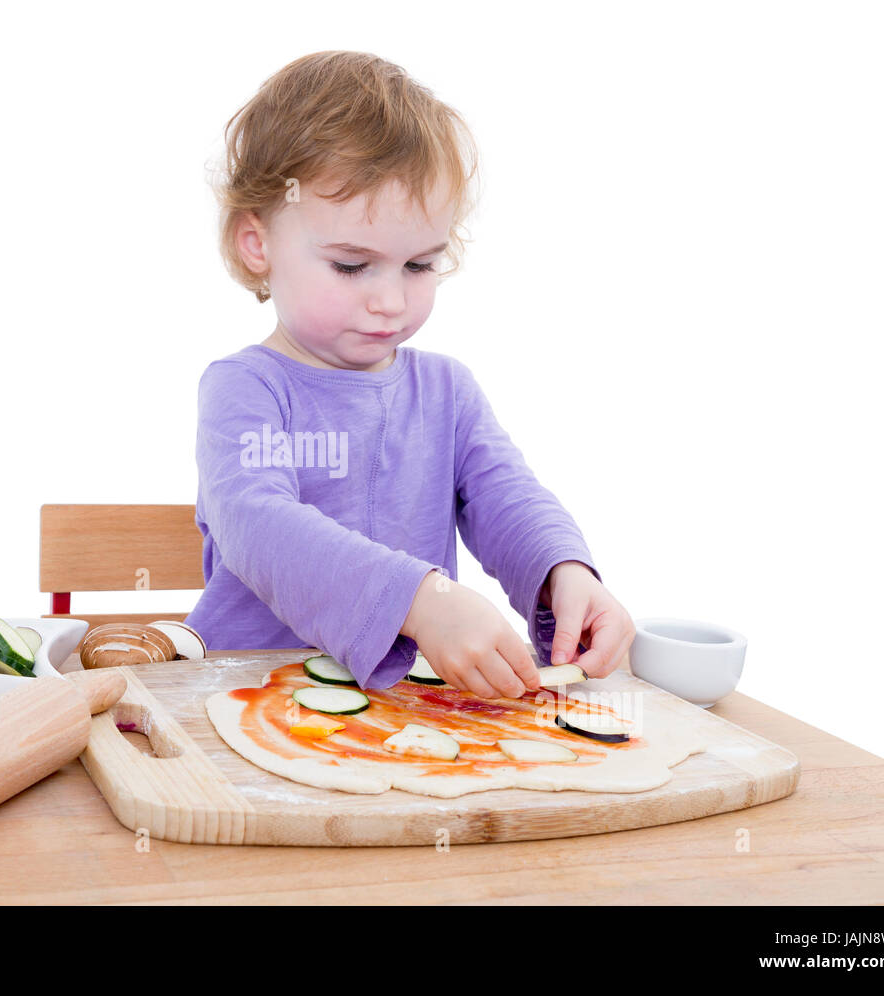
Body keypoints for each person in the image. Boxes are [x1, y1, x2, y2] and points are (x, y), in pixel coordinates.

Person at [183, 51, 635, 698]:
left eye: (419, 266)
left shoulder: (448, 392)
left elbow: (507, 496)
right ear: (257, 244)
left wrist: (565, 574)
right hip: (242, 697)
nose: (391, 301)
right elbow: (258, 524)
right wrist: (420, 600)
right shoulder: (245, 388)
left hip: (402, 716)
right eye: (350, 265)